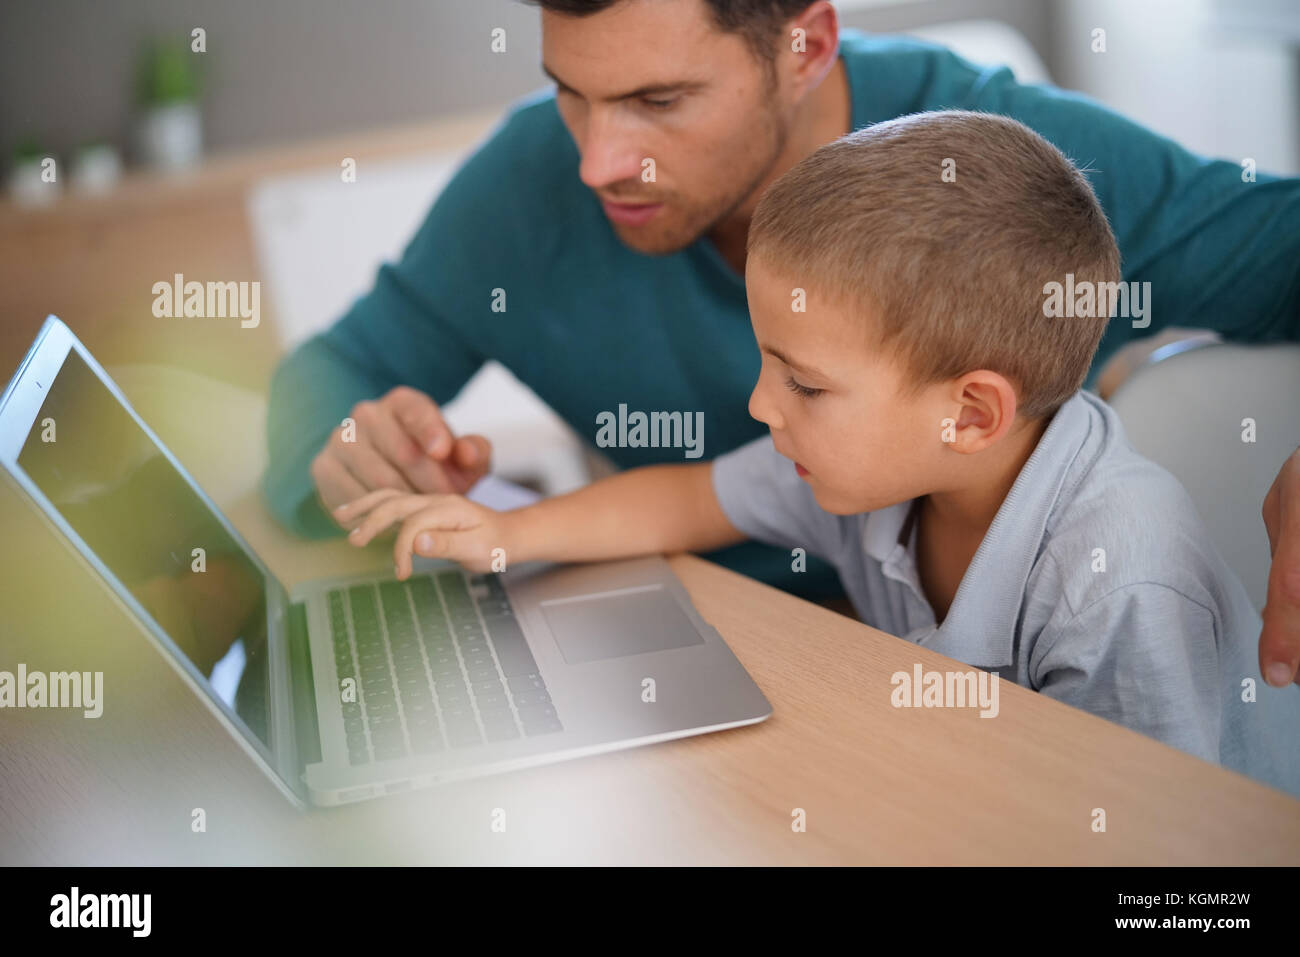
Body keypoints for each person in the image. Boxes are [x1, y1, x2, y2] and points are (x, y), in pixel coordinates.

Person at [263, 0, 1300, 686]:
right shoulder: (526, 184)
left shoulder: (1007, 182)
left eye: (656, 101)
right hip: (718, 675)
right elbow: (332, 376)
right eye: (568, 92)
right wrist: (357, 445)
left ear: (804, 45)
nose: (594, 161)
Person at [333, 111, 1300, 795]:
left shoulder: (1121, 582)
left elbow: (1168, 848)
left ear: (969, 413)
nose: (760, 404)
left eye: (801, 383)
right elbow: (689, 499)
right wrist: (506, 529)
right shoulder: (871, 469)